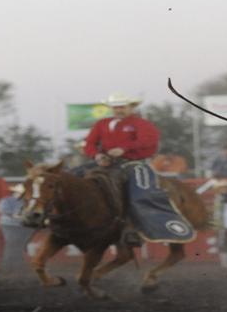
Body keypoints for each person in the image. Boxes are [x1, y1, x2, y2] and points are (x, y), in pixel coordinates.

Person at [82, 92, 197, 244]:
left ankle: (139, 227)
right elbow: (89, 143)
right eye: (115, 107)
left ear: (131, 107)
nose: (118, 110)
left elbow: (148, 141)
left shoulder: (141, 124)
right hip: (106, 163)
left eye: (122, 107)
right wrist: (97, 155)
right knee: (73, 182)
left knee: (139, 194)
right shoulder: (101, 124)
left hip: (134, 163)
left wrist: (124, 149)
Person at [0, 184, 34, 273]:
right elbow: (5, 211)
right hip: (10, 225)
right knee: (12, 243)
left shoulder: (27, 201)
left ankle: (18, 264)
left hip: (22, 225)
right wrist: (20, 216)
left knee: (20, 244)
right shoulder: (7, 200)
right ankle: (8, 265)